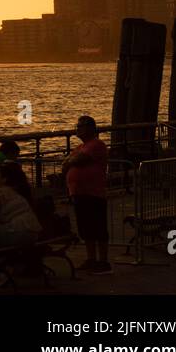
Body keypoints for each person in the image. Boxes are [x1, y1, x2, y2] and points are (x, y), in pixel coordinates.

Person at [64, 115, 111, 275]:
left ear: (91, 128)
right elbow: (68, 161)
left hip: (93, 193)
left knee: (98, 227)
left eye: (81, 126)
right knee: (86, 228)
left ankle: (103, 261)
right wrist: (70, 161)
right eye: (77, 126)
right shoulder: (81, 147)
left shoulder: (96, 145)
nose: (77, 129)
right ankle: (91, 259)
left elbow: (77, 160)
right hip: (79, 193)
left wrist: (71, 161)